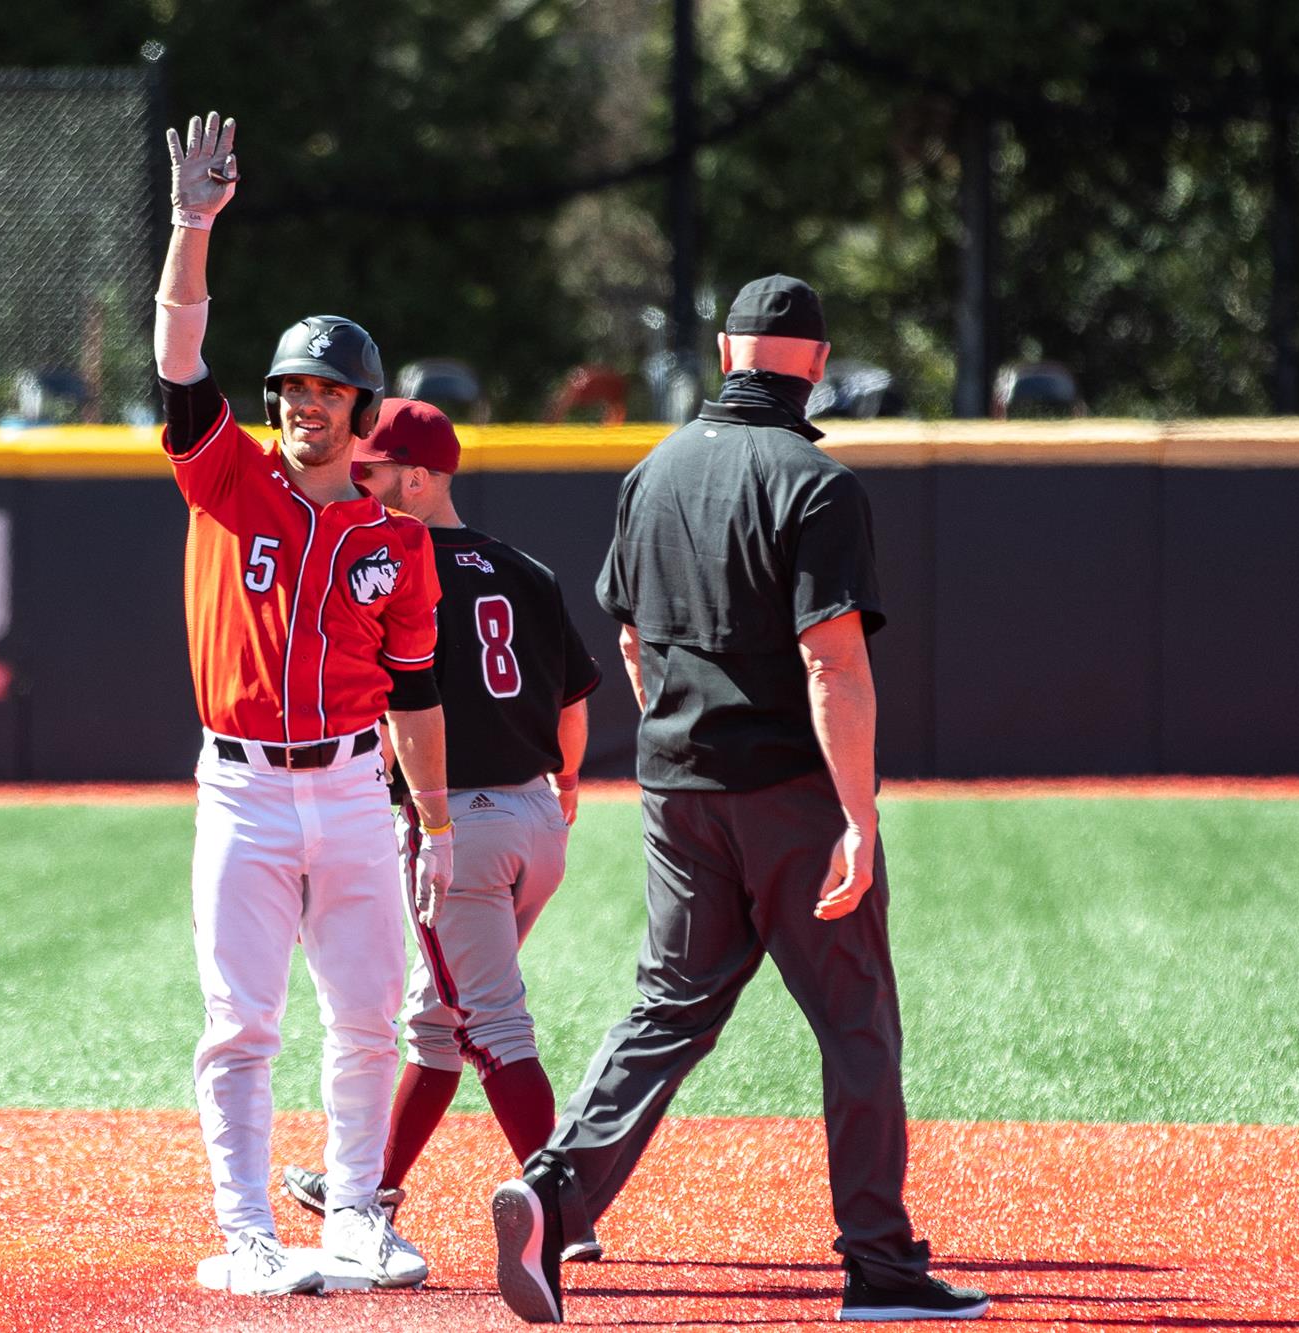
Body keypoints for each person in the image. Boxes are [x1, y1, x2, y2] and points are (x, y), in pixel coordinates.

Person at [489, 275, 990, 1325]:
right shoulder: (816, 483)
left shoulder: (650, 470)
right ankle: (878, 1268)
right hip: (788, 798)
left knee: (666, 1010)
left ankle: (549, 1187)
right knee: (855, 1025)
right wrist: (855, 814)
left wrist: (680, 732)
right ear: (812, 361)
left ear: (726, 354)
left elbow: (627, 637)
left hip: (677, 791)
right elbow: (832, 669)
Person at [156, 111, 451, 1299]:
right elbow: (179, 354)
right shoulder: (226, 476)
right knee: (241, 1025)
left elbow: (418, 689)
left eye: (327, 392)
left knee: (367, 1018)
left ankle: (355, 1221)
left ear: (365, 413)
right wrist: (192, 225)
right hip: (239, 785)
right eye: (290, 387)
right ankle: (243, 1236)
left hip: (348, 786)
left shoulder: (395, 539)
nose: (304, 405)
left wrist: (434, 819)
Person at [277, 398, 606, 1261]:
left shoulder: (387, 564)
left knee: (492, 1022)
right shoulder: (526, 570)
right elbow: (575, 704)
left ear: (417, 479)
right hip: (538, 819)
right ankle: (372, 1187)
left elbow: (390, 705)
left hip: (454, 826)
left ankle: (564, 1208)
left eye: (376, 473)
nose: (365, 485)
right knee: (437, 1017)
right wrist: (566, 783)